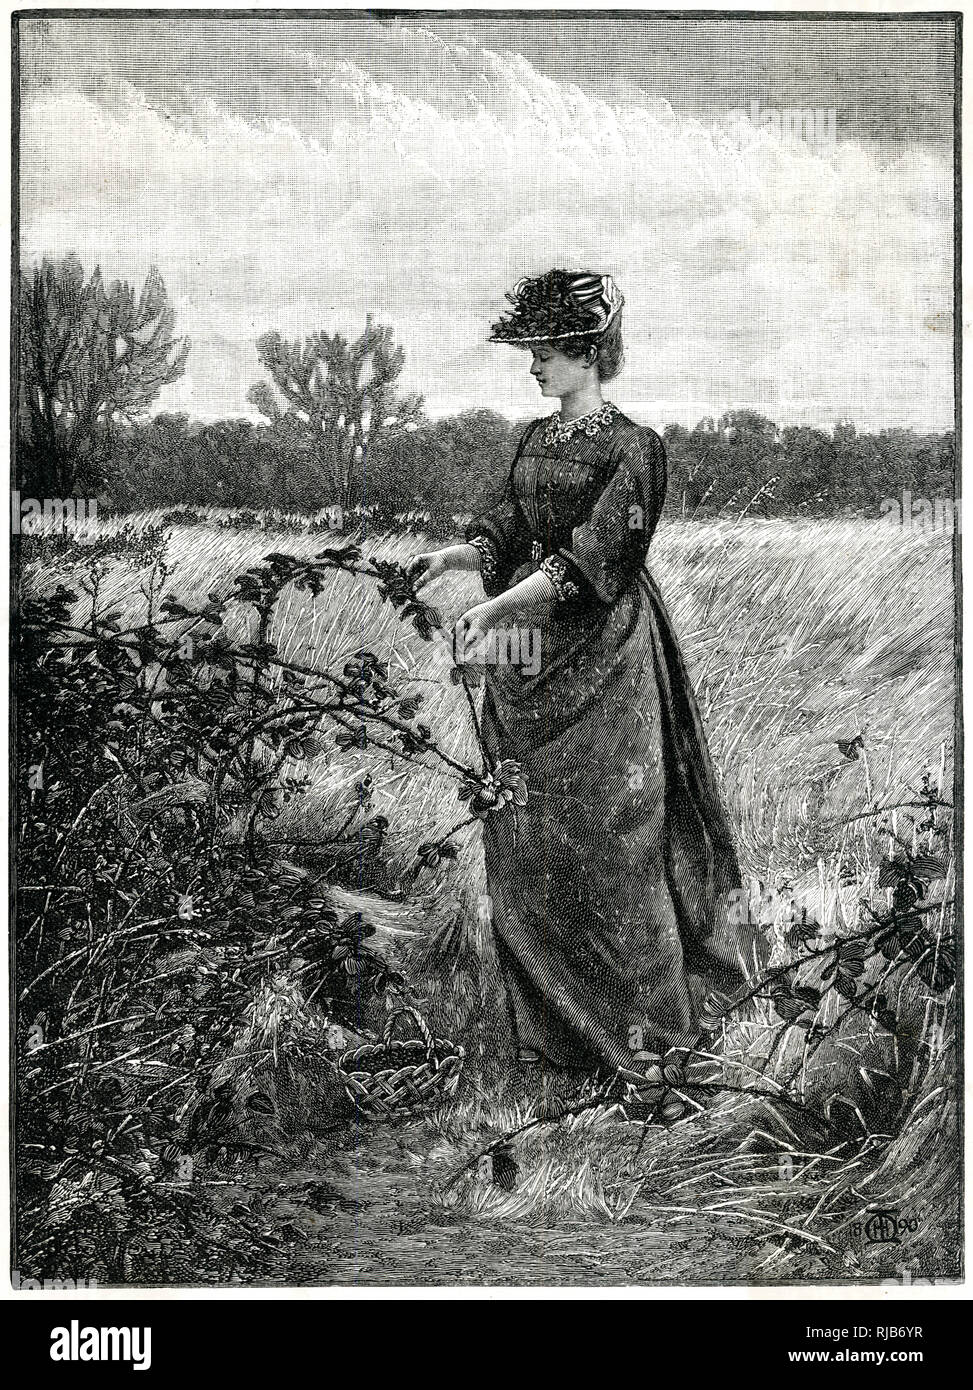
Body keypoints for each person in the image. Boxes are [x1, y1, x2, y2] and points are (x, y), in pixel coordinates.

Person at [409, 268, 756, 1081]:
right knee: (530, 846)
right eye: (531, 352)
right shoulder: (533, 440)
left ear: (588, 355)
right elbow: (506, 531)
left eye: (546, 353)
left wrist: (496, 613)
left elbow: (594, 558)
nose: (533, 366)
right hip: (529, 671)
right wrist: (455, 557)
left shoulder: (636, 449)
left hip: (605, 660)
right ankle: (553, 1042)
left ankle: (652, 1044)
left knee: (614, 846)